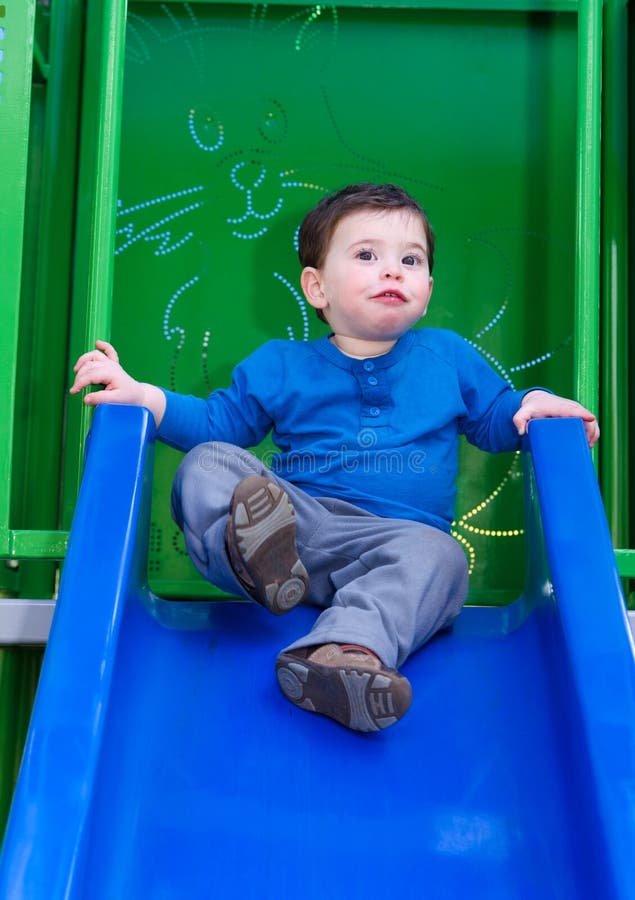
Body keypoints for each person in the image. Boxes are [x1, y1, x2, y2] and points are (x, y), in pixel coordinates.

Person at [71, 183, 599, 733]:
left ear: (427, 288)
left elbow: (495, 416)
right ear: (316, 287)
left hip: (394, 542)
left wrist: (536, 404)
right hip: (291, 524)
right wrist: (144, 397)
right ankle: (251, 562)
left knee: (443, 558)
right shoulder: (280, 364)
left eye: (411, 260)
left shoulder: (448, 357)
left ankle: (343, 655)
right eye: (367, 255)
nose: (392, 270)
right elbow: (215, 424)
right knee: (207, 462)